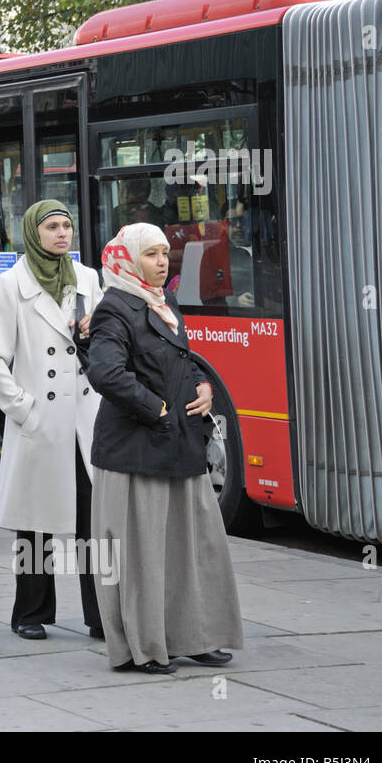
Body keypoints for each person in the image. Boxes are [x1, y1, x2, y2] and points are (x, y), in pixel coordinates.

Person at [87, 223, 243, 674]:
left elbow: (183, 360)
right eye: (151, 255)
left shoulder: (164, 302)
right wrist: (156, 409)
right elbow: (106, 373)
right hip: (137, 452)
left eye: (164, 253)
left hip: (179, 444)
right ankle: (144, 647)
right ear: (130, 259)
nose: (162, 262)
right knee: (141, 555)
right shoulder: (114, 308)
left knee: (192, 547)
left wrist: (203, 385)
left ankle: (194, 636)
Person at [0, 199, 104, 641]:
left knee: (95, 521)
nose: (62, 234)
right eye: (52, 227)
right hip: (40, 420)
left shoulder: (88, 278)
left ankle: (102, 615)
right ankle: (30, 613)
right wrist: (23, 410)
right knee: (35, 524)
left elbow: (105, 342)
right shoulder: (12, 284)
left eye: (67, 226)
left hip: (85, 417)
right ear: (34, 232)